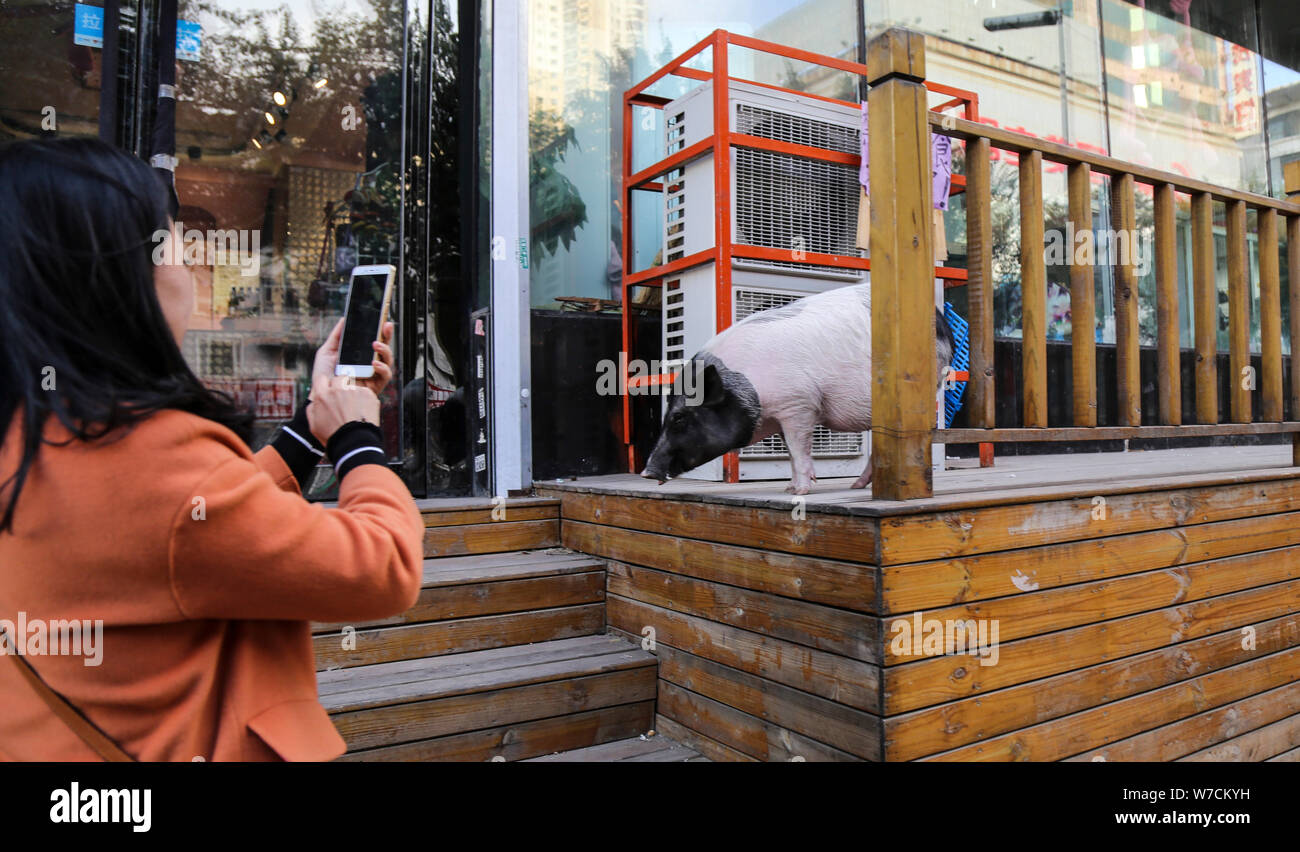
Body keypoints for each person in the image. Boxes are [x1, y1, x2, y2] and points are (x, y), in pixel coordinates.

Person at [0, 137, 424, 761]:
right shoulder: (148, 450)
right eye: (171, 242)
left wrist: (312, 426)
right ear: (118, 275)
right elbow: (383, 568)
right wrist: (359, 437)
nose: (191, 267)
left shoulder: (40, 432)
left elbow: (198, 523)